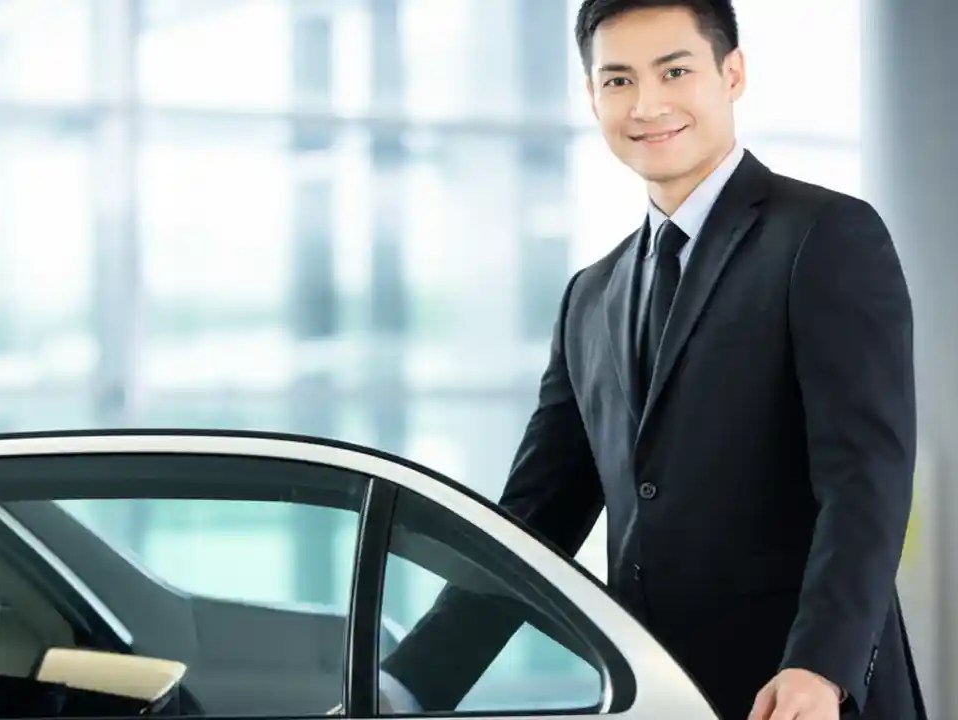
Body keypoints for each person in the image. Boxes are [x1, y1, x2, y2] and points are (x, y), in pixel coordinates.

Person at [379, 1, 926, 719]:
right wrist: (407, 686)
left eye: (675, 71)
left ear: (732, 74)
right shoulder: (591, 296)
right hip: (659, 695)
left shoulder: (824, 237)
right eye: (618, 81)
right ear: (591, 95)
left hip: (802, 697)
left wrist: (820, 667)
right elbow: (535, 521)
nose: (648, 105)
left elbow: (866, 480)